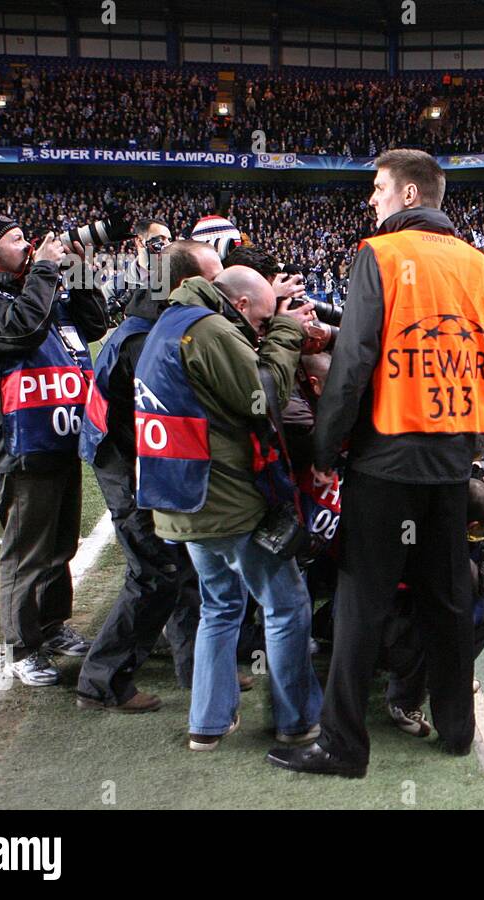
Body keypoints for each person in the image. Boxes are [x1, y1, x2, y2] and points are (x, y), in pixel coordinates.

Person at [275, 149, 484, 777]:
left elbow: (354, 365)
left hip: (385, 461)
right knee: (446, 599)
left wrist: (328, 450)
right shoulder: (482, 268)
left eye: (379, 188)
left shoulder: (379, 256)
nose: (372, 199)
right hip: (450, 463)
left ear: (410, 195)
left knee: (363, 601)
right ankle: (457, 731)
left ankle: (343, 746)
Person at [133, 265, 321, 751]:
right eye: (258, 322)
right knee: (286, 607)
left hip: (186, 501)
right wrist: (286, 329)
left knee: (219, 607)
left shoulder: (171, 323)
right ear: (239, 306)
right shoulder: (208, 329)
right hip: (226, 503)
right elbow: (265, 394)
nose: (258, 331)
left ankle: (208, 723)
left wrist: (271, 324)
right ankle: (297, 721)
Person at [0, 213, 108, 685]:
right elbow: (22, 331)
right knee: (27, 550)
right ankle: (23, 646)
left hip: (57, 435)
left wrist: (80, 269)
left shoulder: (30, 289)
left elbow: (93, 325)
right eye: (16, 238)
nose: (29, 242)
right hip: (19, 443)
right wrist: (47, 272)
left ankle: (52, 626)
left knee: (60, 543)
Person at [75, 240, 222, 713]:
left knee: (178, 564)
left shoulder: (151, 324)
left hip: (129, 456)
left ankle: (194, 666)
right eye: (213, 280)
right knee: (156, 573)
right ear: (183, 285)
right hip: (128, 465)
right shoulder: (150, 340)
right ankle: (102, 681)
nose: (220, 289)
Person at [383, 479, 484, 735]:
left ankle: (447, 672)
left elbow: (481, 573)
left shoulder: (445, 513)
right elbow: (482, 581)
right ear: (471, 525)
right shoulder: (434, 538)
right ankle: (403, 699)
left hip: (403, 612)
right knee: (442, 617)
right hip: (392, 626)